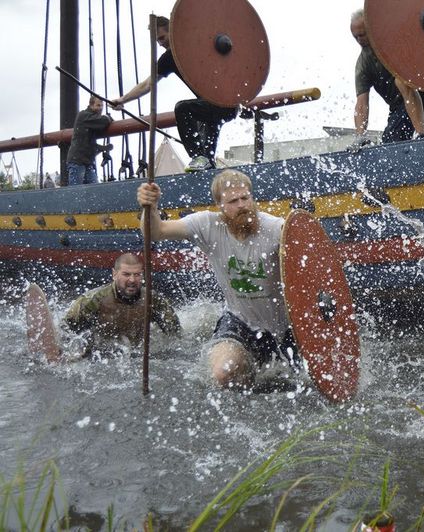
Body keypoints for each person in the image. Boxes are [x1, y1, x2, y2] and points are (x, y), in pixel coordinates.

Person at [136, 169, 299, 390]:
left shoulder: (274, 227)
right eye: (233, 201)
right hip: (240, 321)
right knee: (225, 373)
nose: (242, 205)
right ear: (219, 206)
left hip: (287, 325)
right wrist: (150, 207)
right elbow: (156, 232)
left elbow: (307, 248)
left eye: (246, 198)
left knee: (305, 380)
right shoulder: (207, 225)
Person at [110, 16, 236, 172]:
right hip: (210, 107)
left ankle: (198, 156)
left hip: (227, 101)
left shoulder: (197, 43)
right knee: (207, 161)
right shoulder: (169, 58)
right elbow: (147, 84)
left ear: (172, 31)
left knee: (183, 109)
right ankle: (207, 169)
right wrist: (123, 99)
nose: (161, 43)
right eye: (157, 41)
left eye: (162, 37)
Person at [350, 9, 424, 144]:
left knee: (400, 80)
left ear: (373, 28)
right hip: (400, 106)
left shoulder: (397, 42)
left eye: (362, 35)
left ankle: (422, 135)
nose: (359, 40)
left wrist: (422, 134)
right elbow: (361, 103)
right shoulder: (363, 65)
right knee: (390, 140)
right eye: (356, 37)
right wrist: (360, 136)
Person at [63, 253, 181, 356]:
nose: (132, 280)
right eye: (126, 274)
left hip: (138, 354)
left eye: (137, 274)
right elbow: (66, 331)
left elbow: (176, 334)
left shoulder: (153, 300)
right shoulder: (93, 300)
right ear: (114, 274)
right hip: (102, 355)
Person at [66, 95, 113, 186]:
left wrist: (103, 147)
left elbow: (89, 142)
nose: (101, 108)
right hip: (77, 161)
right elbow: (102, 122)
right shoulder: (84, 115)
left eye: (102, 106)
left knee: (95, 191)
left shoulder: (91, 119)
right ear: (91, 105)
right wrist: (108, 117)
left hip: (86, 162)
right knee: (76, 192)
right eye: (98, 105)